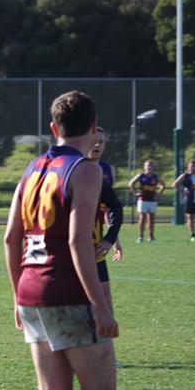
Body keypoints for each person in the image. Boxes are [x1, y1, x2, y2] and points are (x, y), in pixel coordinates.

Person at [0, 90, 118, 390]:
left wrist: (17, 295)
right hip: (66, 292)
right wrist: (100, 305)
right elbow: (75, 241)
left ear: (53, 129)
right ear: (93, 127)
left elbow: (11, 238)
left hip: (31, 292)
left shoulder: (31, 168)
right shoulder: (86, 171)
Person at [88, 128, 123, 312]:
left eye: (101, 142)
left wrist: (112, 238)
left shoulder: (106, 171)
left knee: (105, 303)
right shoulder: (73, 169)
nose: (97, 145)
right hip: (73, 250)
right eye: (94, 140)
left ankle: (100, 339)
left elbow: (112, 207)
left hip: (96, 246)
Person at [128, 160, 164, 242]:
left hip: (152, 200)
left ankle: (151, 237)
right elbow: (131, 184)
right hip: (143, 199)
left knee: (151, 219)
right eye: (148, 166)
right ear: (144, 167)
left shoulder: (155, 177)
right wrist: (135, 193)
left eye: (151, 166)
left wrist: (158, 194)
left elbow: (163, 185)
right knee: (142, 218)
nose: (149, 167)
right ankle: (140, 236)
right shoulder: (141, 176)